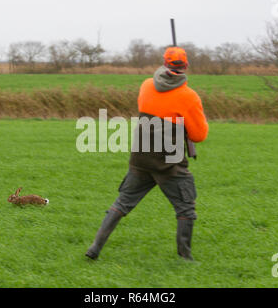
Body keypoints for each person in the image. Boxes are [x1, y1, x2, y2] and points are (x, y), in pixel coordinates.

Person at [85, 47, 209, 260]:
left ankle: (95, 247)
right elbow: (199, 135)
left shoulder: (146, 85)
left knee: (123, 202)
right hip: (168, 162)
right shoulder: (189, 96)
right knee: (185, 207)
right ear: (186, 65)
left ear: (163, 62)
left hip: (141, 156)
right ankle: (185, 259)